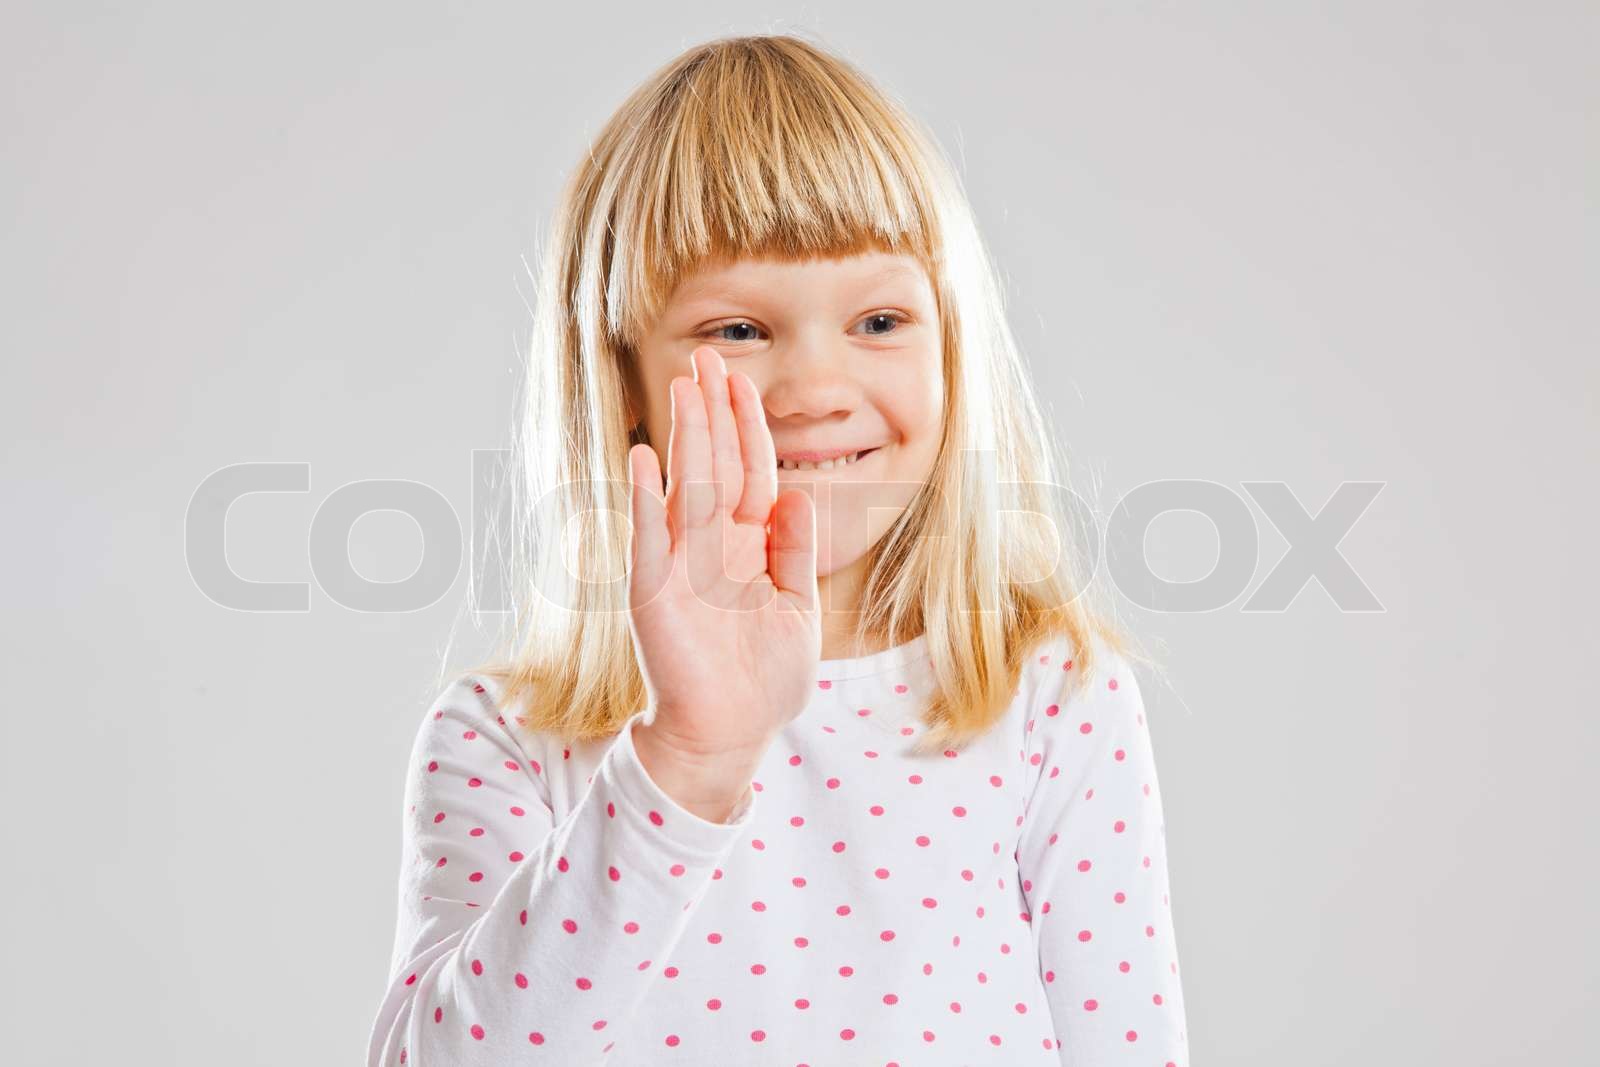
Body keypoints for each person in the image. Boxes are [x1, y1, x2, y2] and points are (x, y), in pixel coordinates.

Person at [368, 32, 1189, 1066]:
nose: (813, 387)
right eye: (738, 331)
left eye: (880, 317)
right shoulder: (506, 741)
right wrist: (688, 757)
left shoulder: (1049, 694)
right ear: (621, 377)